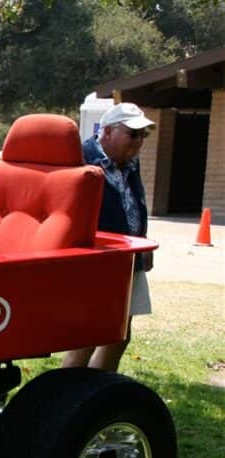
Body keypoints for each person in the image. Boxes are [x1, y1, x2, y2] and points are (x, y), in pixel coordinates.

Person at [62, 102, 155, 372]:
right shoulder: (82, 159)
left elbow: (134, 202)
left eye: (143, 135)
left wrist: (143, 242)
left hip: (127, 258)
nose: (139, 142)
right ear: (108, 132)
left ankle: (100, 388)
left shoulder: (130, 161)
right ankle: (68, 389)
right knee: (89, 335)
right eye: (133, 134)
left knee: (120, 334)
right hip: (97, 261)